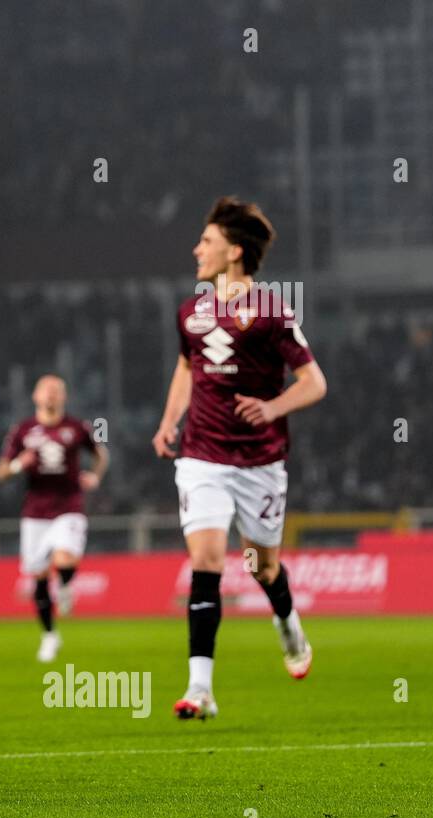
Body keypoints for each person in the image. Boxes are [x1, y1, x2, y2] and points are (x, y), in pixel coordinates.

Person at [152, 197, 327, 720]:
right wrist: (169, 421)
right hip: (202, 455)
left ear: (233, 251)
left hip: (260, 463)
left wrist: (272, 407)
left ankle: (288, 624)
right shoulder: (191, 311)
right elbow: (187, 369)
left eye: (206, 241)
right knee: (206, 562)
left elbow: (315, 382)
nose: (196, 249)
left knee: (262, 566)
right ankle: (200, 688)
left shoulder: (273, 311)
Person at [0, 375, 108, 662]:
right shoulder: (22, 430)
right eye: (47, 390)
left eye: (57, 391)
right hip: (35, 512)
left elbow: (100, 455)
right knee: (40, 576)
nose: (52, 395)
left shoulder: (77, 428)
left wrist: (94, 475)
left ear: (64, 397)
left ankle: (67, 585)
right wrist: (21, 464)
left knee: (65, 558)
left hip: (69, 505)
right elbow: (0, 472)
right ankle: (49, 636)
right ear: (35, 395)